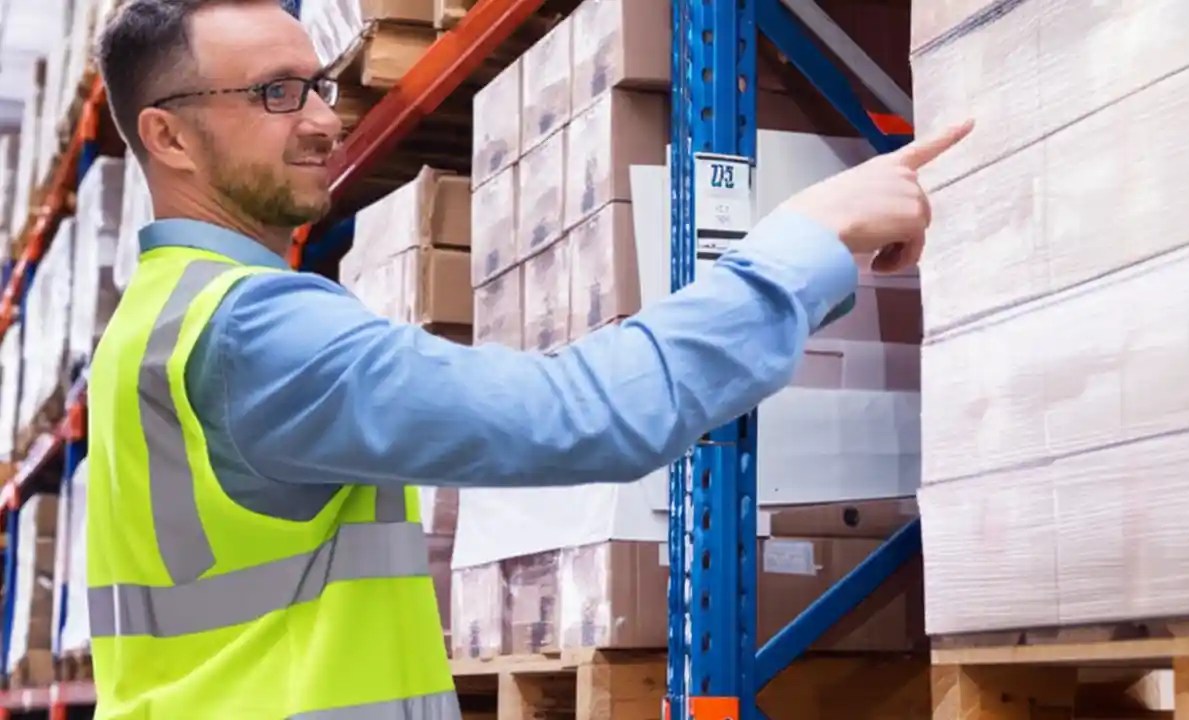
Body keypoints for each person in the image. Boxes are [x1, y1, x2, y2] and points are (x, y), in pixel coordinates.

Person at [86, 0, 972, 717]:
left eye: (318, 85)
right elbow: (582, 413)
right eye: (278, 94)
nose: (323, 119)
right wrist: (805, 240)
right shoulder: (250, 331)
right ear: (167, 137)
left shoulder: (155, 322)